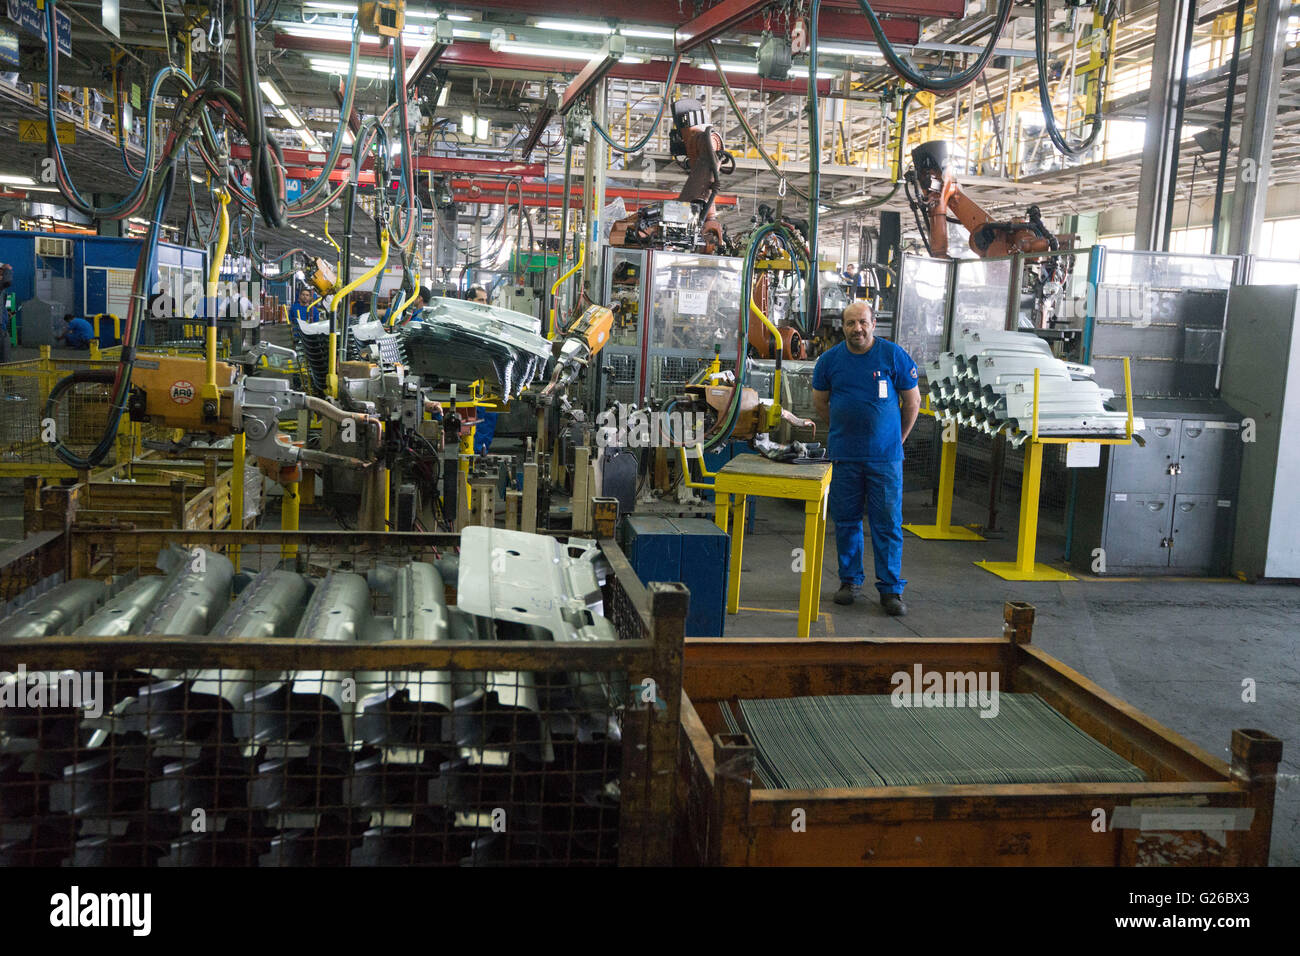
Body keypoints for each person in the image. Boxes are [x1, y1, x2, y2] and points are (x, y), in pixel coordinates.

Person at [812, 300, 921, 616]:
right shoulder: (829, 361)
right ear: (842, 327)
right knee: (846, 520)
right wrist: (844, 431)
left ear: (873, 324)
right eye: (850, 323)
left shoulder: (892, 356)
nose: (856, 328)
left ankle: (890, 590)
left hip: (885, 460)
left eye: (862, 322)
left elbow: (912, 402)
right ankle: (849, 582)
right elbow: (821, 403)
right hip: (845, 457)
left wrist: (896, 440)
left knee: (887, 523)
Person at [466, 285, 498, 453]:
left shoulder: (489, 321)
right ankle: (472, 452)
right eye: (481, 300)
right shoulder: (460, 320)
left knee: (489, 414)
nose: (485, 303)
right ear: (469, 301)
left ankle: (482, 451)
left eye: (486, 300)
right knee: (474, 415)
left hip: (487, 377)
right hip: (468, 378)